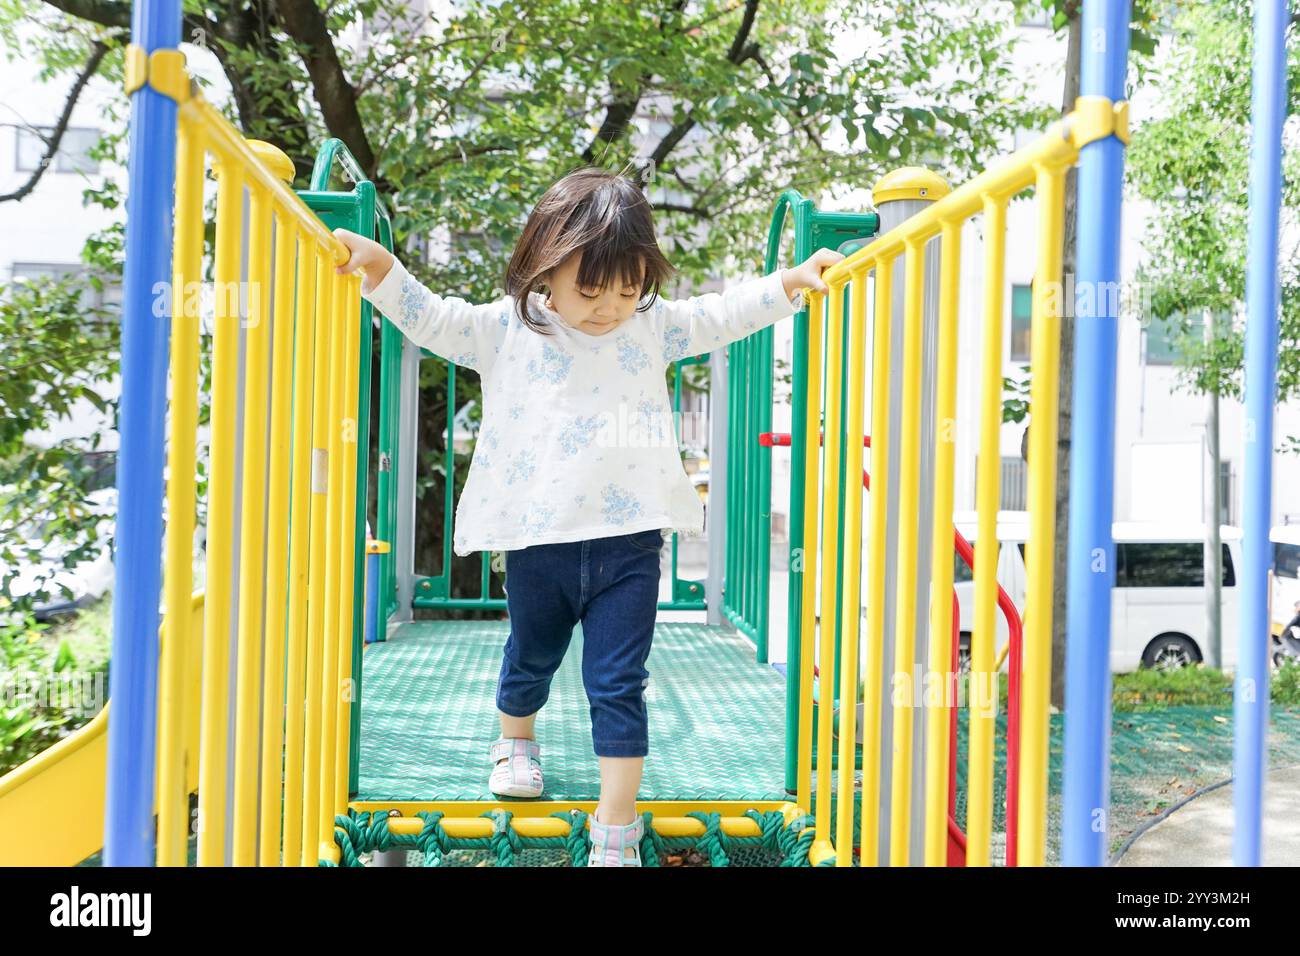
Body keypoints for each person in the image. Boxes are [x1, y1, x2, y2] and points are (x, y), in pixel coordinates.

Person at [333, 167, 842, 865]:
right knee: (531, 656)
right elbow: (432, 317)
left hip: (629, 547)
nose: (610, 307)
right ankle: (515, 741)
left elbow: (723, 315)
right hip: (539, 543)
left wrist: (790, 283)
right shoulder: (504, 332)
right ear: (545, 270)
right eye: (591, 289)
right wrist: (384, 270)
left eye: (628, 287)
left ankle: (616, 823)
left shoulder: (650, 328)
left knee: (617, 679)